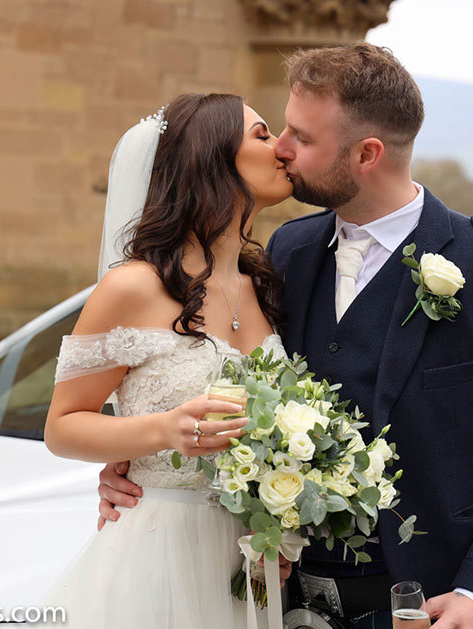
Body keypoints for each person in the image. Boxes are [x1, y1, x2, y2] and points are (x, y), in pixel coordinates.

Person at [96, 43, 473, 629]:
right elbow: (208, 369)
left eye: (301, 137)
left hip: (424, 609)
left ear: (366, 153)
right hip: (273, 600)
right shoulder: (288, 252)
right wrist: (134, 461)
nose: (281, 147)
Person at [39, 93, 296, 628]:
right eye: (263, 134)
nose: (283, 149)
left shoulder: (266, 286)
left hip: (250, 562)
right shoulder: (132, 287)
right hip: (159, 552)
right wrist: (163, 430)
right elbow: (61, 428)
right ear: (213, 158)